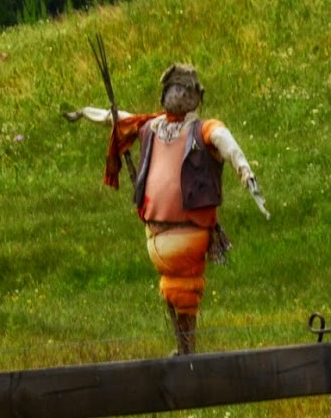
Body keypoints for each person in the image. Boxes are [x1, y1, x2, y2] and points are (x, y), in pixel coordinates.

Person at [66, 63, 269, 354]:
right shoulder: (152, 126)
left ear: (195, 96)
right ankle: (184, 347)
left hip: (189, 232)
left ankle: (188, 349)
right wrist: (86, 112)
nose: (178, 94)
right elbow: (117, 119)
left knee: (185, 293)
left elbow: (227, 144)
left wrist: (246, 174)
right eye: (173, 88)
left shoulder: (203, 130)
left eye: (184, 89)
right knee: (172, 293)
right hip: (158, 232)